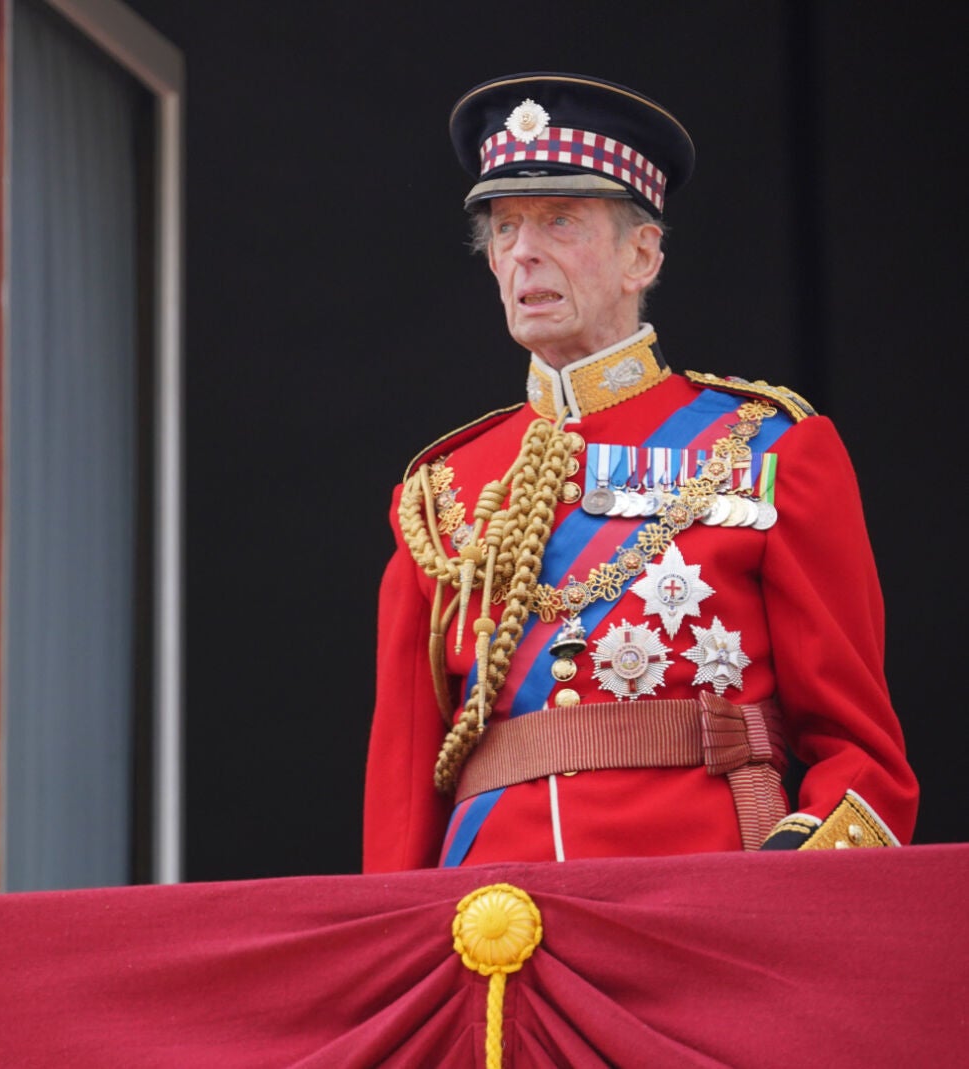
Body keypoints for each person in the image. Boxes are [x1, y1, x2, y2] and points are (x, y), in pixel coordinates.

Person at [363, 73, 918, 872]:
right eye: (505, 227)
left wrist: (788, 880)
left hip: (703, 912)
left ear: (641, 254)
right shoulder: (442, 488)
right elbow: (403, 790)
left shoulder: (769, 448)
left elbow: (863, 757)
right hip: (489, 920)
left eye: (559, 221)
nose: (524, 251)